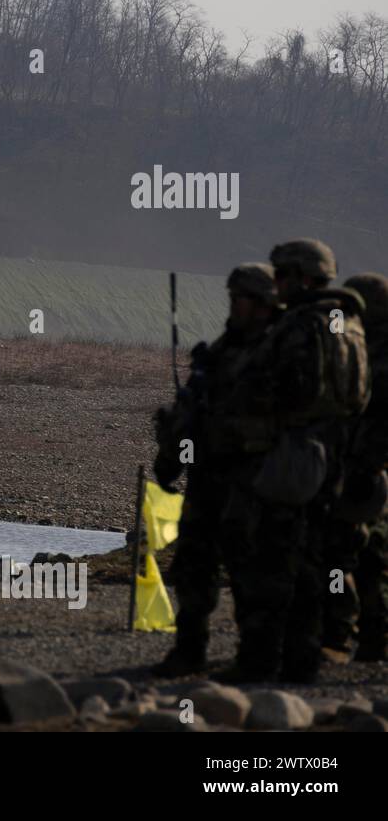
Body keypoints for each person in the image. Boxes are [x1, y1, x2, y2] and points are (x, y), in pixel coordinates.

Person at [215, 239, 369, 683]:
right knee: (314, 563)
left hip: (295, 459)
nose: (277, 284)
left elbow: (283, 392)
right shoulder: (347, 324)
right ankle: (302, 660)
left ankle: (261, 662)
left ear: (301, 277)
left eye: (282, 275)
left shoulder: (302, 326)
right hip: (333, 458)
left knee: (274, 564)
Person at [152, 264, 278, 677]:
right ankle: (189, 649)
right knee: (193, 564)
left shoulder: (276, 349)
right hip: (208, 476)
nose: (233, 304)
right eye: (232, 297)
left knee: (248, 569)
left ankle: (255, 656)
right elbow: (193, 411)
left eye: (239, 297)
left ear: (260, 303)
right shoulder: (224, 349)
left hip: (251, 479)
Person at [330, 272, 388, 662]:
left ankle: (349, 633)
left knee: (358, 554)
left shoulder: (375, 353)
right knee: (369, 557)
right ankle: (369, 636)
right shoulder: (364, 348)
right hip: (364, 467)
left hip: (369, 470)